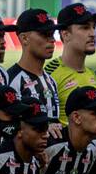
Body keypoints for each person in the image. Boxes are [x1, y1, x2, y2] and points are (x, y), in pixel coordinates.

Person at [45, 2, 96, 124]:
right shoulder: (49, 74)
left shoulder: (92, 74)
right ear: (65, 34)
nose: (93, 33)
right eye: (85, 27)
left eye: (94, 27)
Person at [6, 8, 61, 137]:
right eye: (44, 34)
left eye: (52, 34)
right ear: (24, 38)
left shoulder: (50, 80)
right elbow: (7, 127)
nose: (52, 40)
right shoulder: (11, 80)